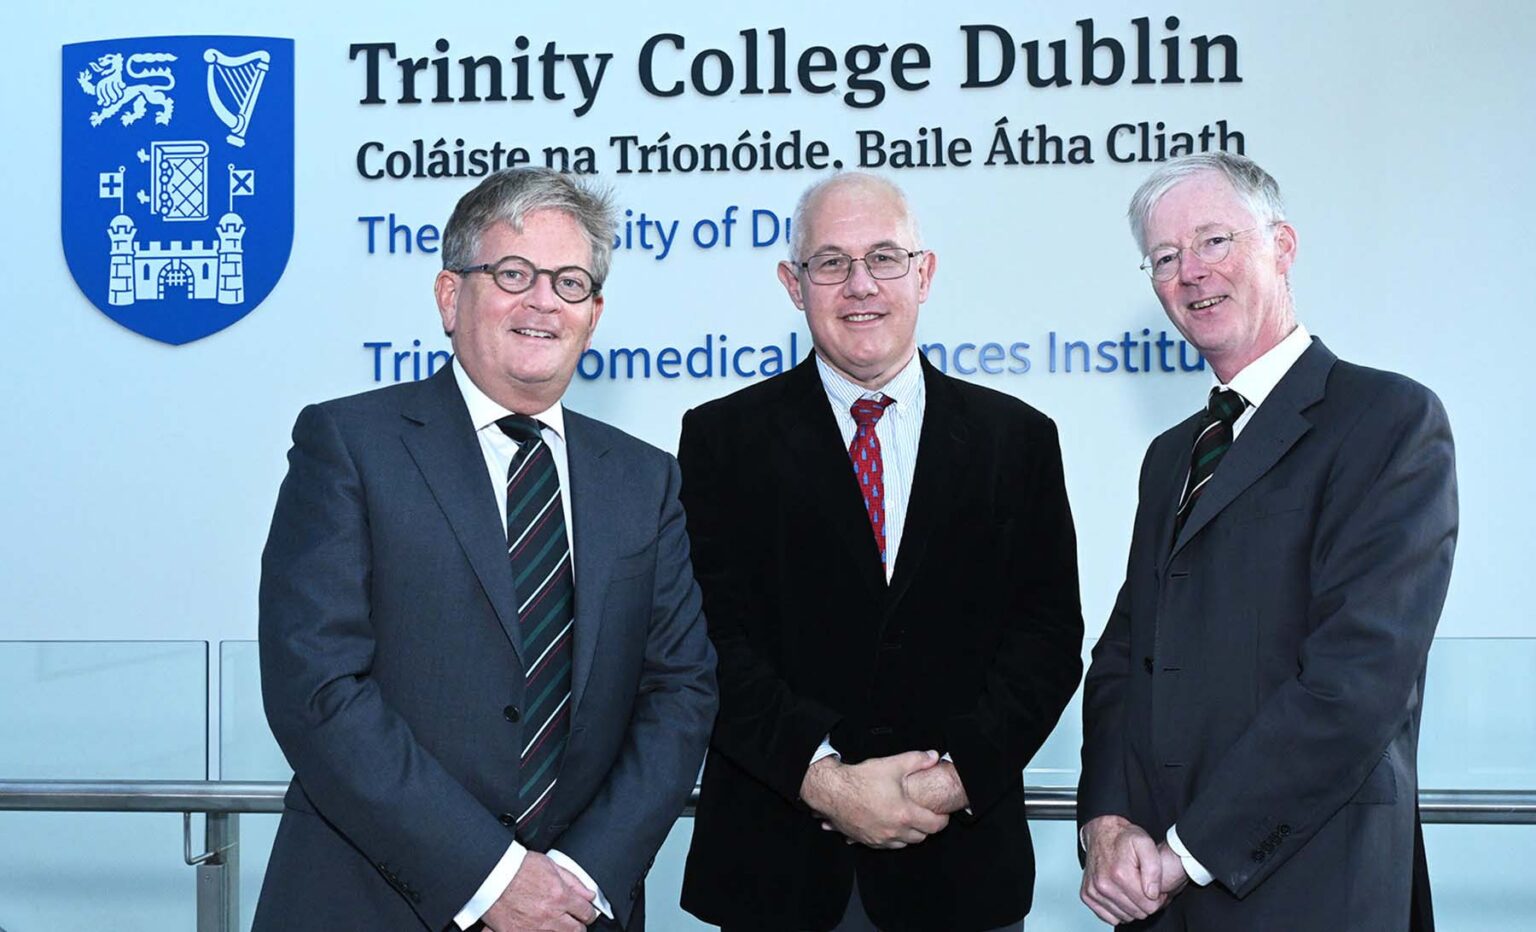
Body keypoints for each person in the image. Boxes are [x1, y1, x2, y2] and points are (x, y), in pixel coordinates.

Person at [254, 168, 717, 932]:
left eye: (570, 282)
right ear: (449, 295)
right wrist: (491, 875)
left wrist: (577, 876)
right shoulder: (349, 445)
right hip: (374, 901)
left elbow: (681, 691)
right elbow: (318, 688)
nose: (543, 301)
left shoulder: (645, 479)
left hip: (577, 911)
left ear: (594, 314)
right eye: (513, 273)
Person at [678, 172, 1084, 932]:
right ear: (793, 285)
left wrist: (952, 779)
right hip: (780, 871)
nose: (860, 284)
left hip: (961, 869)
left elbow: (1049, 640)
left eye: (885, 258)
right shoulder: (720, 440)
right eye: (830, 262)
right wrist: (826, 782)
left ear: (923, 273)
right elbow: (709, 644)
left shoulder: (1018, 440)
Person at [1077, 151, 1456, 930]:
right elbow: (1125, 656)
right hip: (1156, 897)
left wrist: (1185, 852)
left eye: (1214, 241)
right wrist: (1107, 823)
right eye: (1165, 257)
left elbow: (1356, 684)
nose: (1190, 273)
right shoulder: (1171, 455)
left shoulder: (1387, 421)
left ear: (1281, 247)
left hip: (1310, 887)